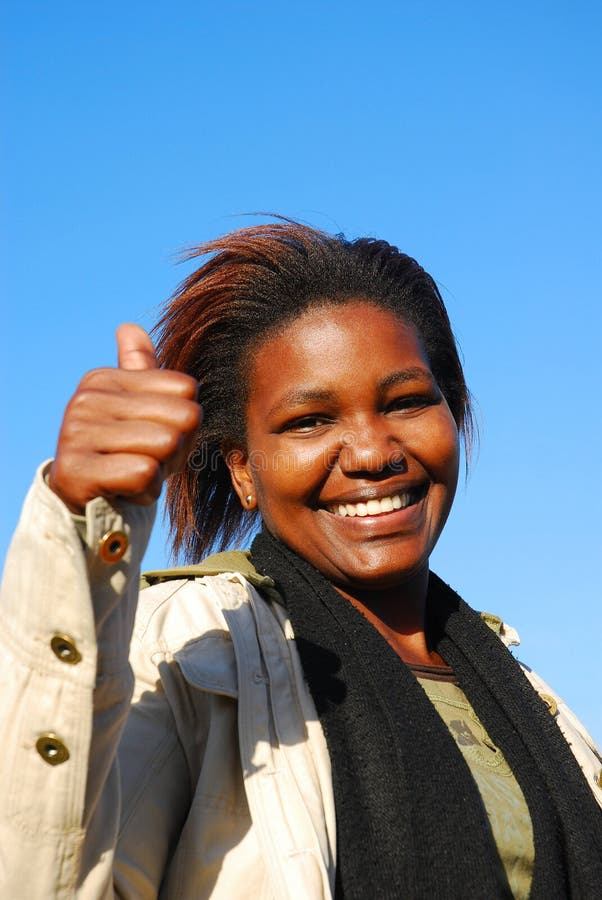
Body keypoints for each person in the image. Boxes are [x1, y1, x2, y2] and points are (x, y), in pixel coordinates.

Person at [1, 221, 601, 899]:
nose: (373, 452)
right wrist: (80, 521)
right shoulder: (189, 651)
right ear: (244, 471)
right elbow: (38, 874)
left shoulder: (537, 704)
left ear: (453, 417)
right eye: (310, 421)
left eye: (406, 402)